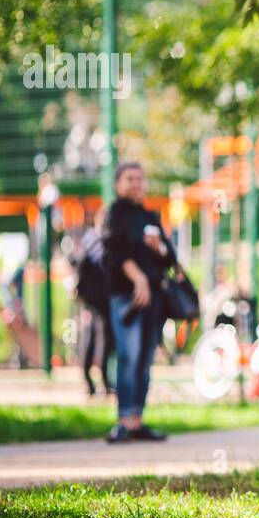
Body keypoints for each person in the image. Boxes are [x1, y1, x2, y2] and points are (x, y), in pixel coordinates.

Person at [103, 162, 172, 443]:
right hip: (126, 297)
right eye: (129, 179)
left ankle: (137, 420)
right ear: (118, 183)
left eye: (140, 179)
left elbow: (170, 259)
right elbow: (115, 252)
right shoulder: (115, 214)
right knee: (128, 356)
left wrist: (160, 248)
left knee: (144, 360)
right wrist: (138, 279)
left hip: (154, 299)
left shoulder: (149, 215)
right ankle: (124, 419)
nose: (135, 184)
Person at [74, 210, 113, 397]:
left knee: (91, 337)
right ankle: (100, 380)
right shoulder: (100, 242)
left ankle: (91, 380)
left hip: (92, 298)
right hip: (98, 298)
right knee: (100, 338)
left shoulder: (88, 239)